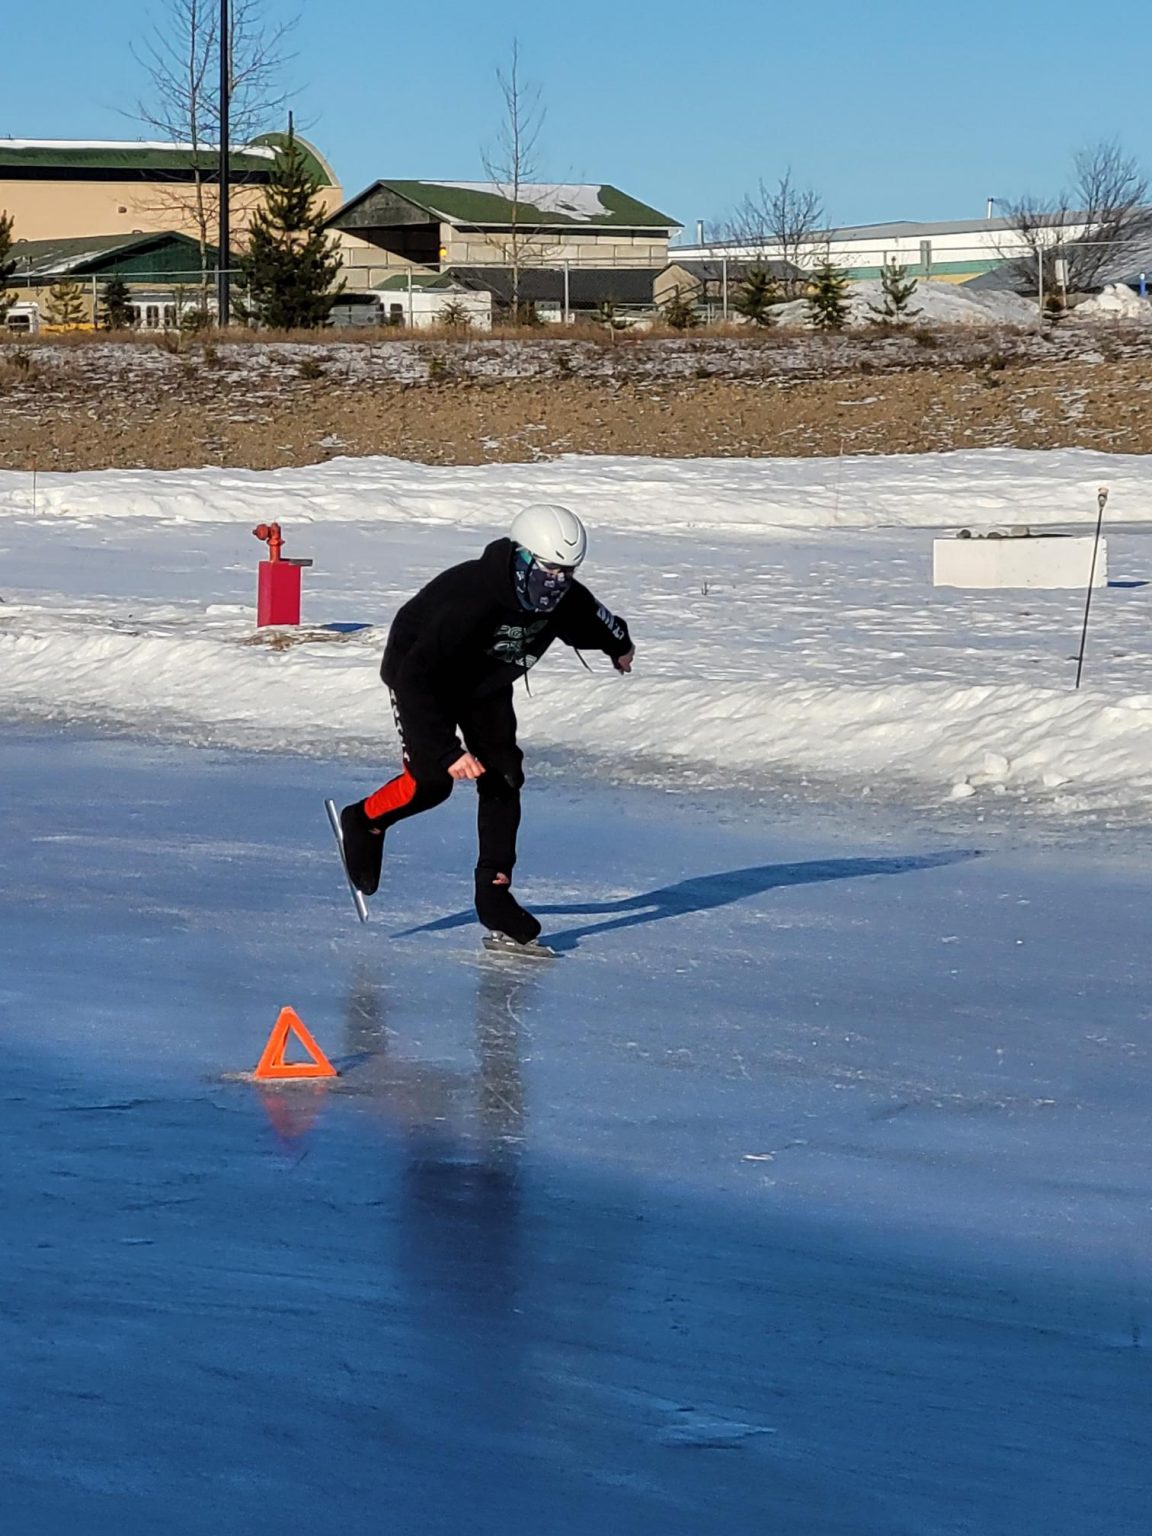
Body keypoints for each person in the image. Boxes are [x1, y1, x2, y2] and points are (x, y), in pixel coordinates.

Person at [339, 504, 635, 946]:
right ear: (521, 558)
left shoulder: (563, 597)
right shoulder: (470, 599)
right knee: (432, 783)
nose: (557, 583)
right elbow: (416, 679)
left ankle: (493, 896)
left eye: (566, 572)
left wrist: (619, 646)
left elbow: (595, 619)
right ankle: (364, 820)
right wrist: (446, 750)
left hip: (484, 685)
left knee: (504, 776)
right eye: (548, 570)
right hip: (420, 674)